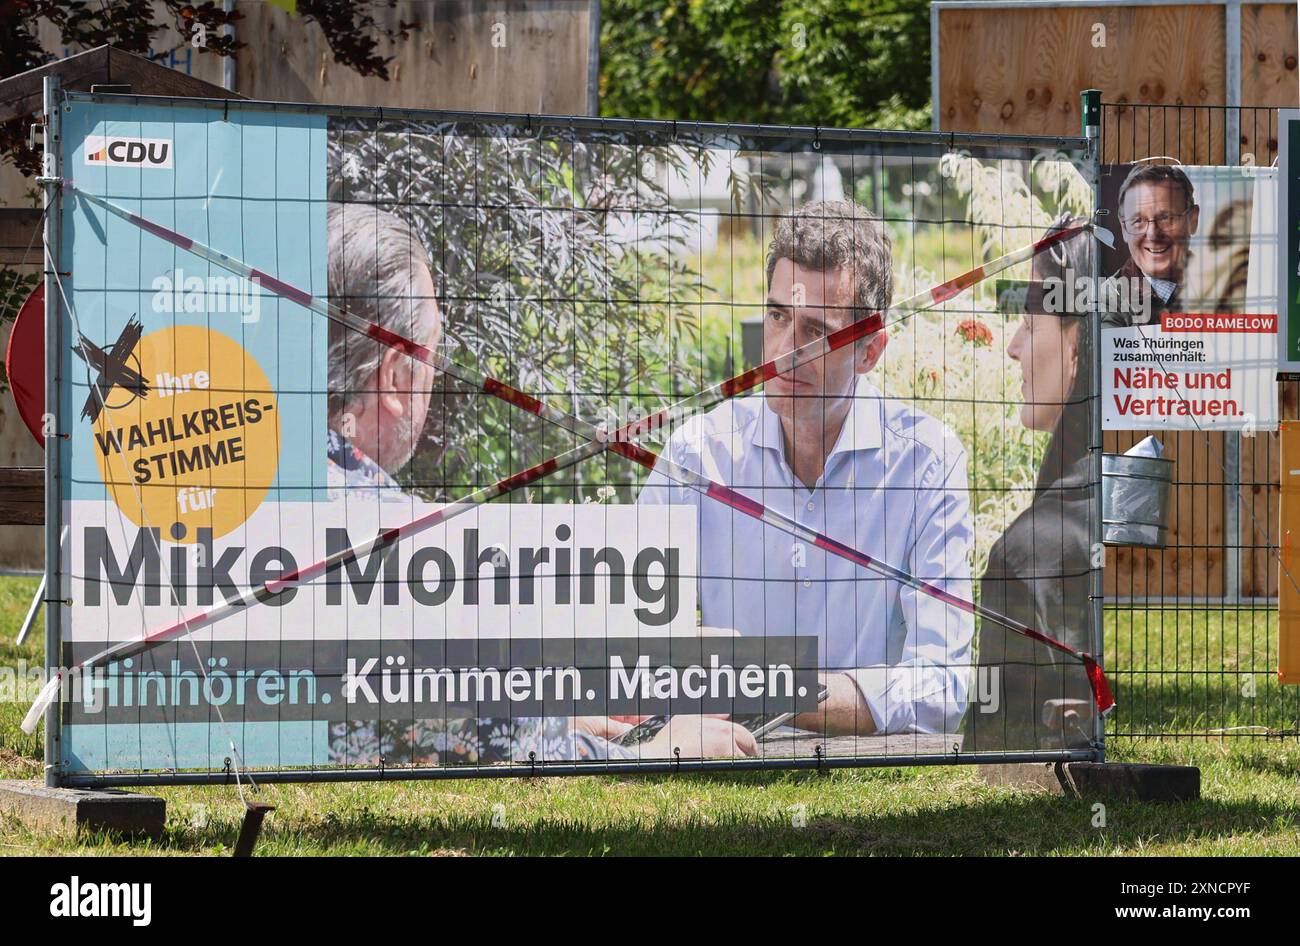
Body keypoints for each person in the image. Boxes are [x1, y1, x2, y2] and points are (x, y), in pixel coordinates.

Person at [323, 203, 755, 765]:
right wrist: (660, 751)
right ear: (396, 376)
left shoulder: (238, 482)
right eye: (433, 356)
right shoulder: (397, 543)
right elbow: (482, 753)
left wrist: (549, 709)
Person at [639, 199, 974, 737]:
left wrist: (760, 688)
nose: (785, 352)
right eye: (777, 317)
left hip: (862, 783)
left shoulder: (926, 464)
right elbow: (625, 654)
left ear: (870, 350)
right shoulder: (697, 455)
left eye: (817, 330)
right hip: (724, 768)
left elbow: (942, 686)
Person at [964, 213, 1097, 752]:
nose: (1014, 346)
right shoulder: (1134, 491)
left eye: (1030, 322)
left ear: (1076, 343)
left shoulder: (1025, 556)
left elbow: (993, 760)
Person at [1109, 163, 1199, 325]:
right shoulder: (1106, 304)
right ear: (1124, 229)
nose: (1152, 234)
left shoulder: (1227, 284)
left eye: (1166, 217)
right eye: (1138, 221)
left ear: (1192, 220)